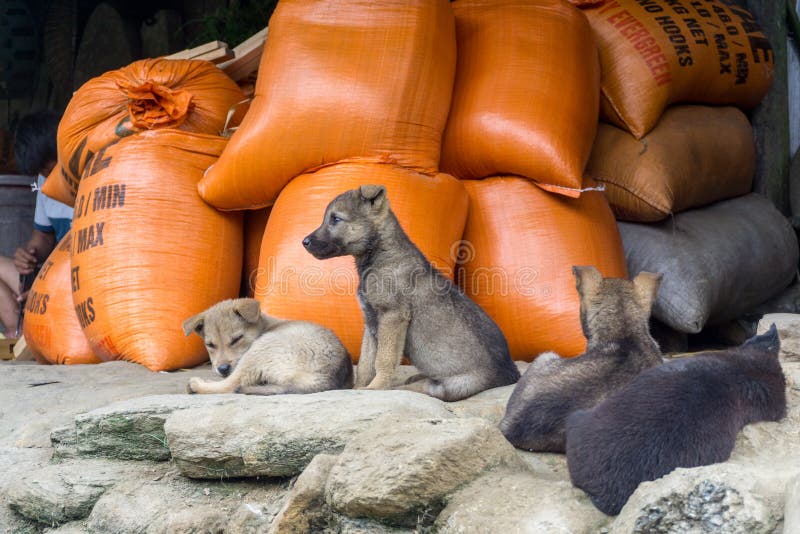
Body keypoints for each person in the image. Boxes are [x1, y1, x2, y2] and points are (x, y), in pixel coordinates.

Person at [0, 110, 72, 336]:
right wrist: (29, 255)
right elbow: (43, 236)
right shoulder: (44, 182)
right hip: (50, 275)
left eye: (50, 168)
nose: (47, 178)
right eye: (42, 172)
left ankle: (30, 334)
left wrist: (46, 289)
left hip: (75, 280)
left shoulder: (88, 176)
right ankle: (18, 334)